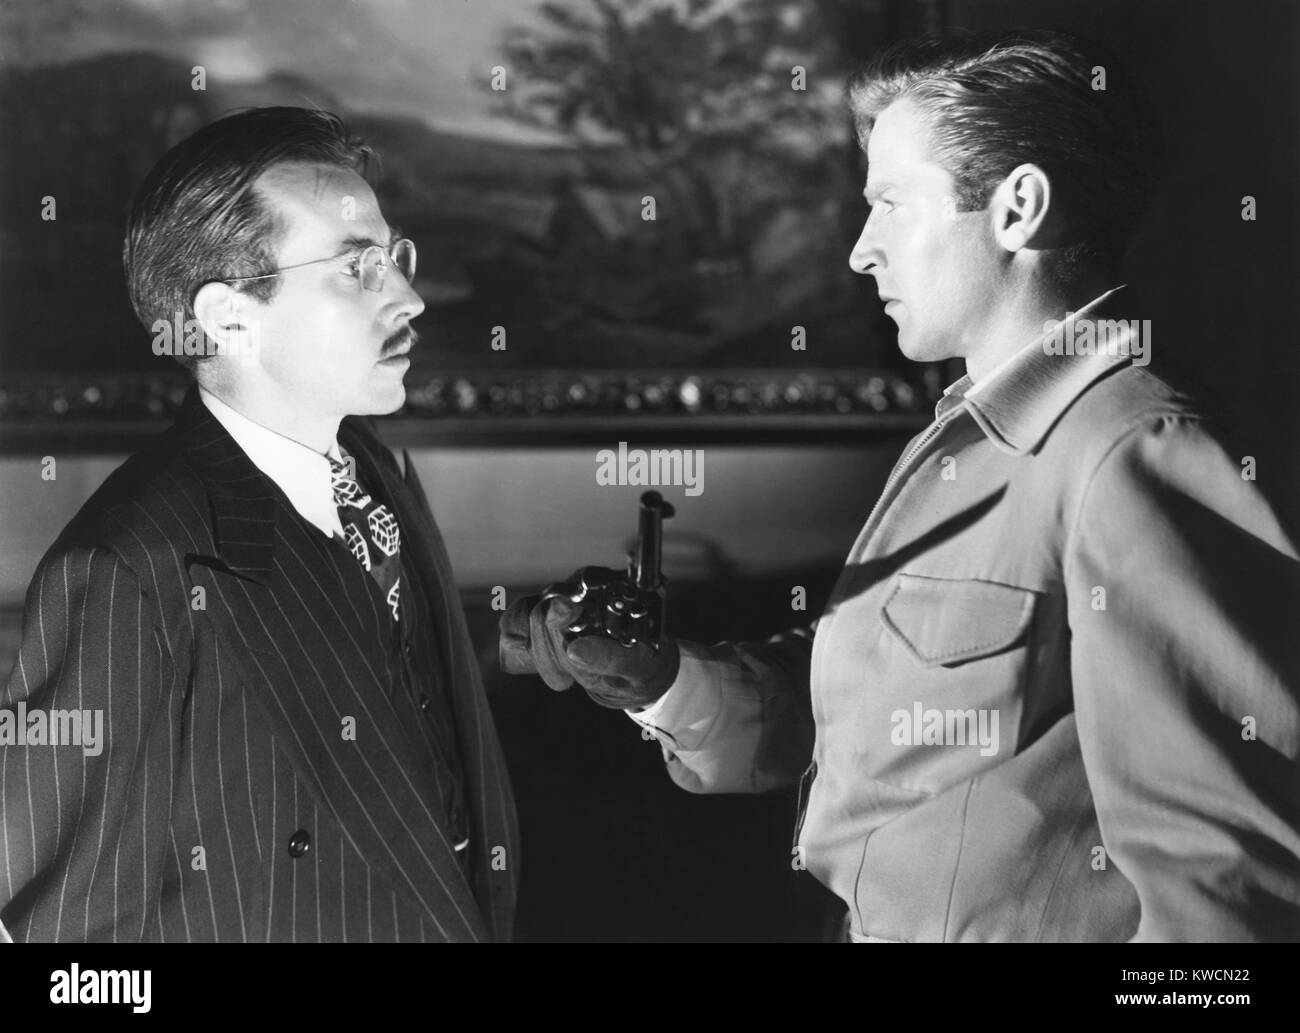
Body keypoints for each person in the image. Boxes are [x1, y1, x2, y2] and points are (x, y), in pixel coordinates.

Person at [501, 29, 1300, 942]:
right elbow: (888, 720)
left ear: (1018, 208)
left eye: (891, 205)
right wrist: (665, 682)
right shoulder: (973, 434)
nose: (860, 251)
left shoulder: (1139, 454)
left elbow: (1226, 903)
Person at [0, 107, 516, 942]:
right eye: (357, 270)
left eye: (396, 259)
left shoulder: (376, 473)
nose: (410, 296)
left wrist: (534, 635)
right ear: (229, 316)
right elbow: (65, 940)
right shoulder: (130, 566)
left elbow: (384, 693)